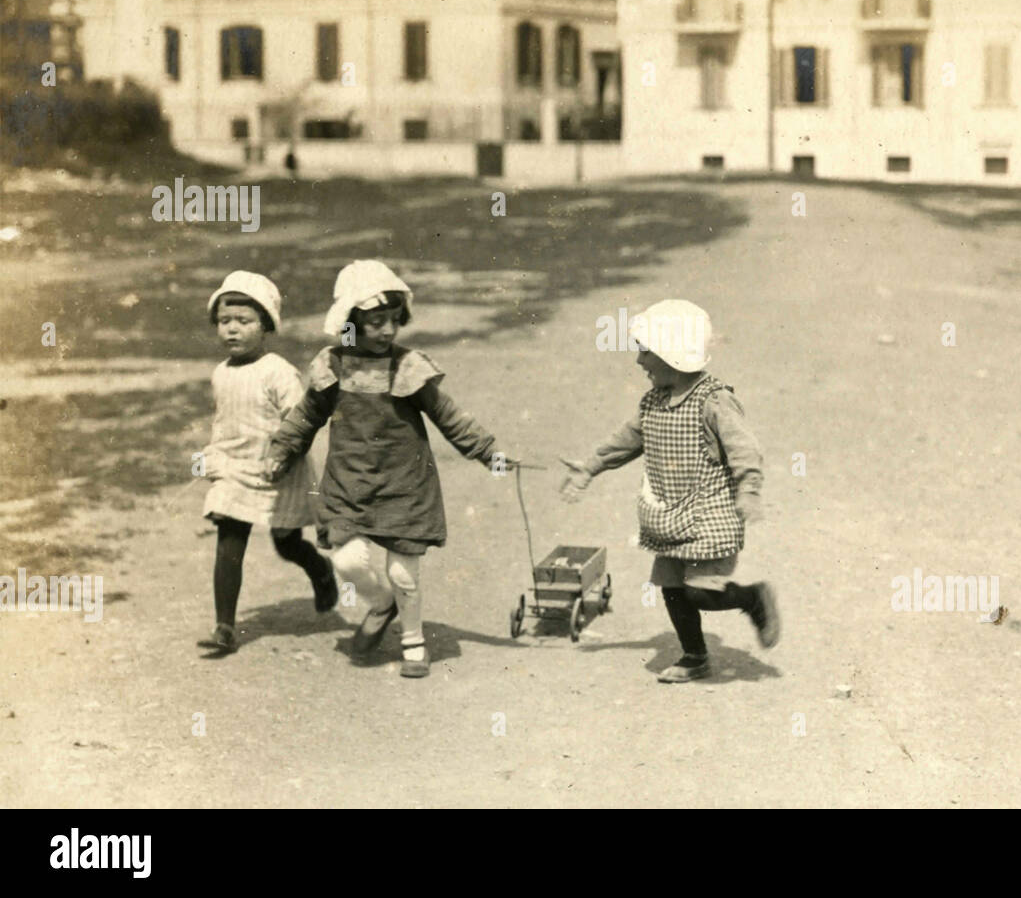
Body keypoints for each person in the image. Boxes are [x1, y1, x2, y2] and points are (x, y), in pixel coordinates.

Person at [266, 261, 516, 679]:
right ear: (349, 324)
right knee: (347, 562)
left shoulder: (407, 368)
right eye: (374, 322)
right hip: (349, 485)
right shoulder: (332, 367)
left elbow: (448, 415)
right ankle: (381, 604)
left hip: (404, 485)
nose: (386, 331)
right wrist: (282, 449)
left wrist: (488, 452)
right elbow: (305, 416)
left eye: (392, 321)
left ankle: (413, 639)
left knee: (404, 572)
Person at [560, 299, 779, 683]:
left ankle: (752, 598)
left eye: (645, 351)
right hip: (671, 516)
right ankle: (694, 656)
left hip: (710, 517)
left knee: (699, 593)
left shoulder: (713, 401)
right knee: (672, 590)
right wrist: (590, 467)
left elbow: (745, 447)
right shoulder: (653, 403)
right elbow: (625, 442)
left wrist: (750, 490)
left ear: (670, 354)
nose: (639, 361)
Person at [199, 271, 337, 655]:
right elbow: (222, 421)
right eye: (225, 321)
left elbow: (301, 419)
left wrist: (283, 455)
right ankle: (225, 626)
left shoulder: (277, 371)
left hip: (280, 470)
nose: (233, 330)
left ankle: (319, 569)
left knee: (286, 542)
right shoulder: (220, 374)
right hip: (236, 467)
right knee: (229, 537)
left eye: (244, 322)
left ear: (265, 326)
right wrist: (214, 456)